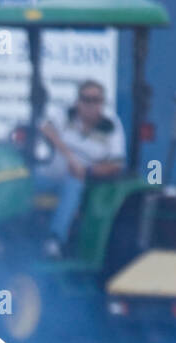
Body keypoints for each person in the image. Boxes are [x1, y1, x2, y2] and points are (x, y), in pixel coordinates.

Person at [36, 79, 125, 257]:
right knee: (18, 180)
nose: (90, 105)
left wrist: (87, 170)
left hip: (81, 178)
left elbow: (116, 164)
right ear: (78, 101)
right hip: (49, 174)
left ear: (102, 103)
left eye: (96, 100)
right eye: (86, 99)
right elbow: (45, 128)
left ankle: (55, 240)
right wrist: (69, 155)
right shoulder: (65, 115)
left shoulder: (111, 126)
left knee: (73, 184)